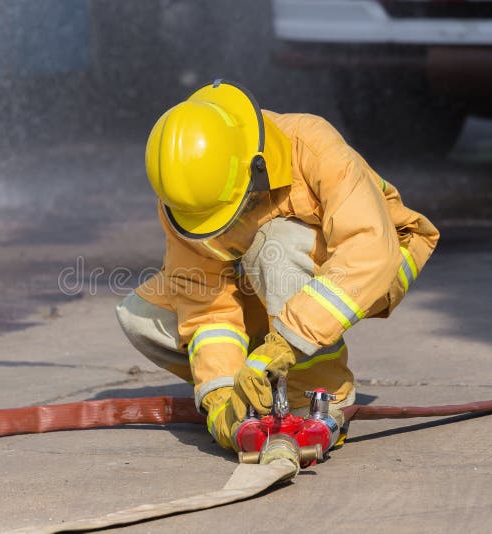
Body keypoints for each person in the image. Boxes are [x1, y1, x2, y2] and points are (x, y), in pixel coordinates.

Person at [116, 79, 439, 451]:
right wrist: (221, 397)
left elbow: (368, 246)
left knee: (276, 246)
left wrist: (286, 343)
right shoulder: (188, 201)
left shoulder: (312, 145)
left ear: (255, 170)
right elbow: (206, 308)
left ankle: (322, 392)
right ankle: (259, 388)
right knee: (141, 315)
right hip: (269, 276)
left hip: (374, 261)